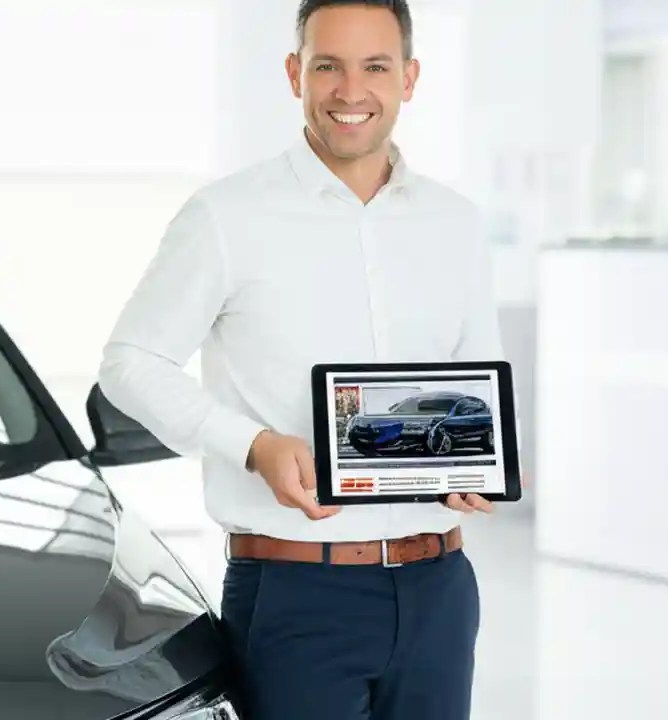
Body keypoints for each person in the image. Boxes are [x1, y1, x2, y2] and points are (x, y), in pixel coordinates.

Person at [96, 1, 502, 718]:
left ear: (409, 78)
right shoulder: (227, 216)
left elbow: (477, 380)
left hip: (440, 588)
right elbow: (130, 362)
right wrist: (251, 445)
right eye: (328, 67)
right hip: (296, 594)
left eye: (375, 66)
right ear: (295, 74)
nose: (352, 91)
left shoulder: (457, 224)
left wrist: (479, 462)